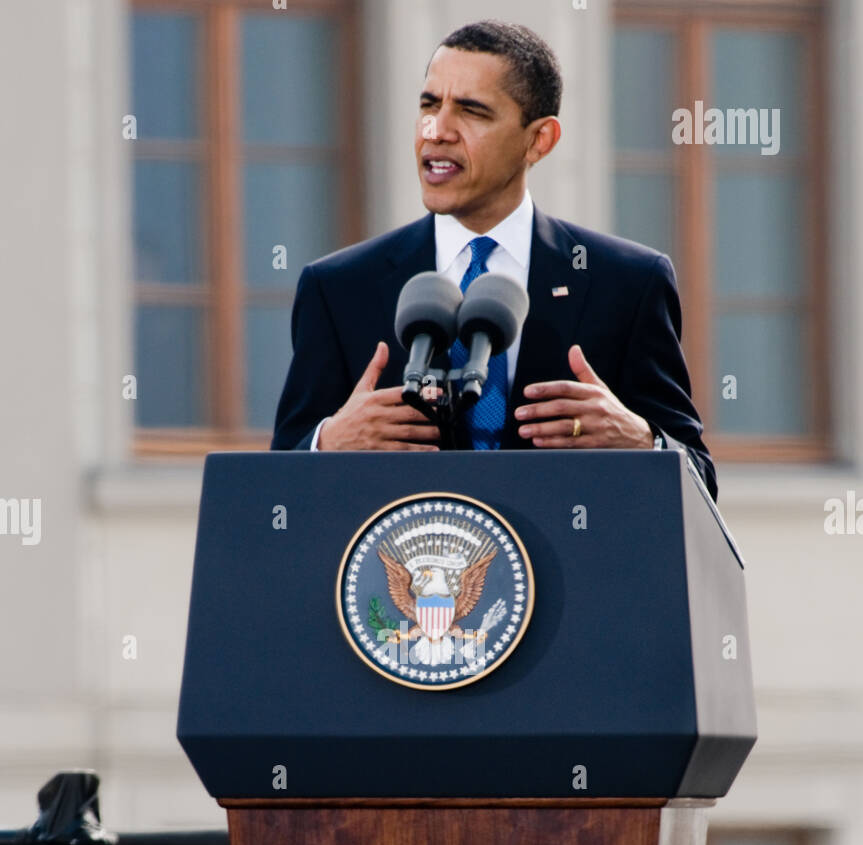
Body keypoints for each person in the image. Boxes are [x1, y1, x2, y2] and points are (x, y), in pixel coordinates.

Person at [270, 20, 717, 503]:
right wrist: (327, 443)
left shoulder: (627, 282)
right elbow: (275, 497)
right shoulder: (338, 288)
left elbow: (700, 483)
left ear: (539, 140)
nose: (437, 131)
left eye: (471, 111)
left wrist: (641, 440)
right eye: (428, 104)